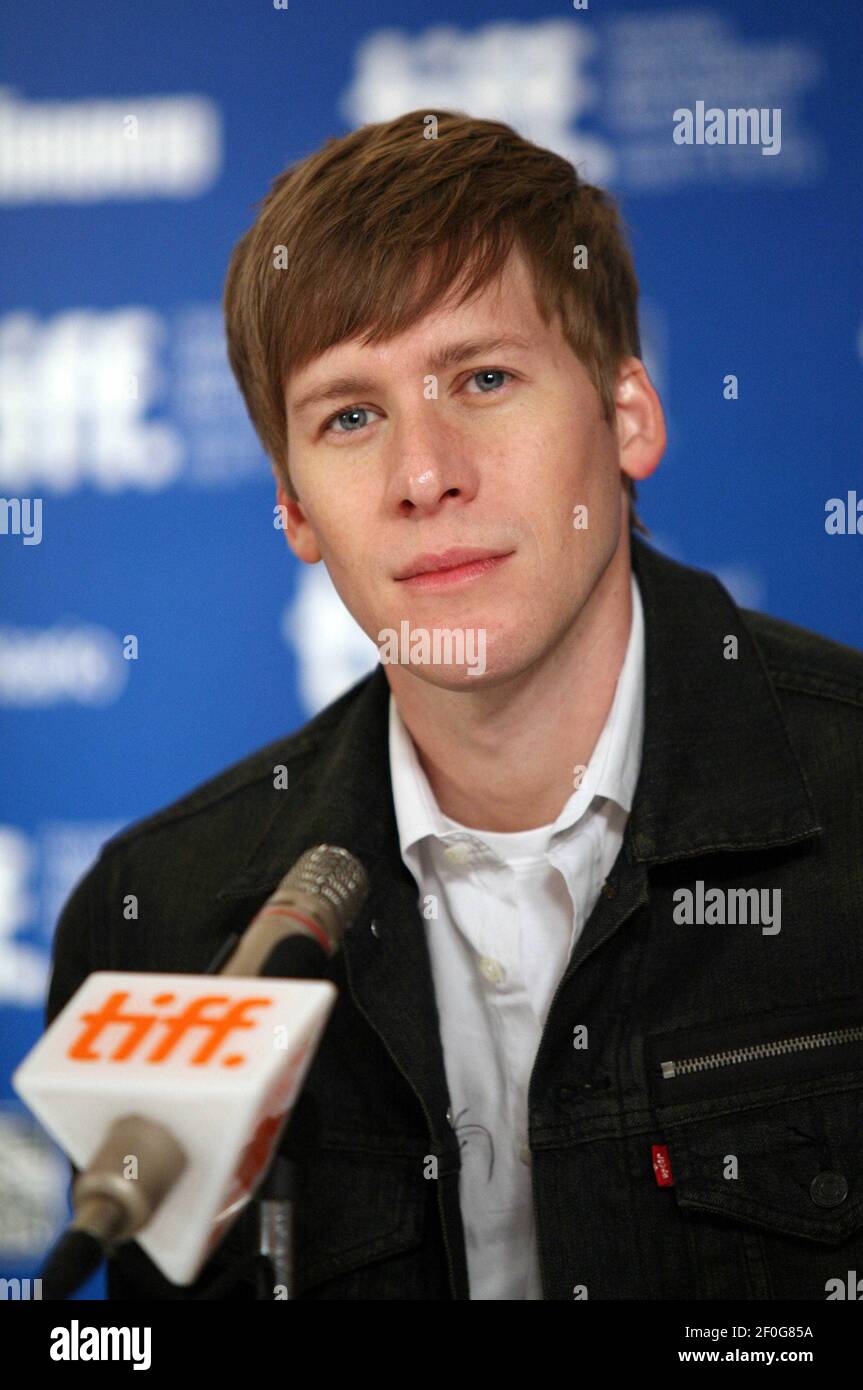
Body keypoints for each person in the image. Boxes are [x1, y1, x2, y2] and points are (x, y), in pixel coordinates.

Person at [47, 110, 863, 1300]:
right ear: (293, 507)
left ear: (626, 414)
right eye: (351, 417)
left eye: (482, 378)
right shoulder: (156, 924)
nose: (424, 474)